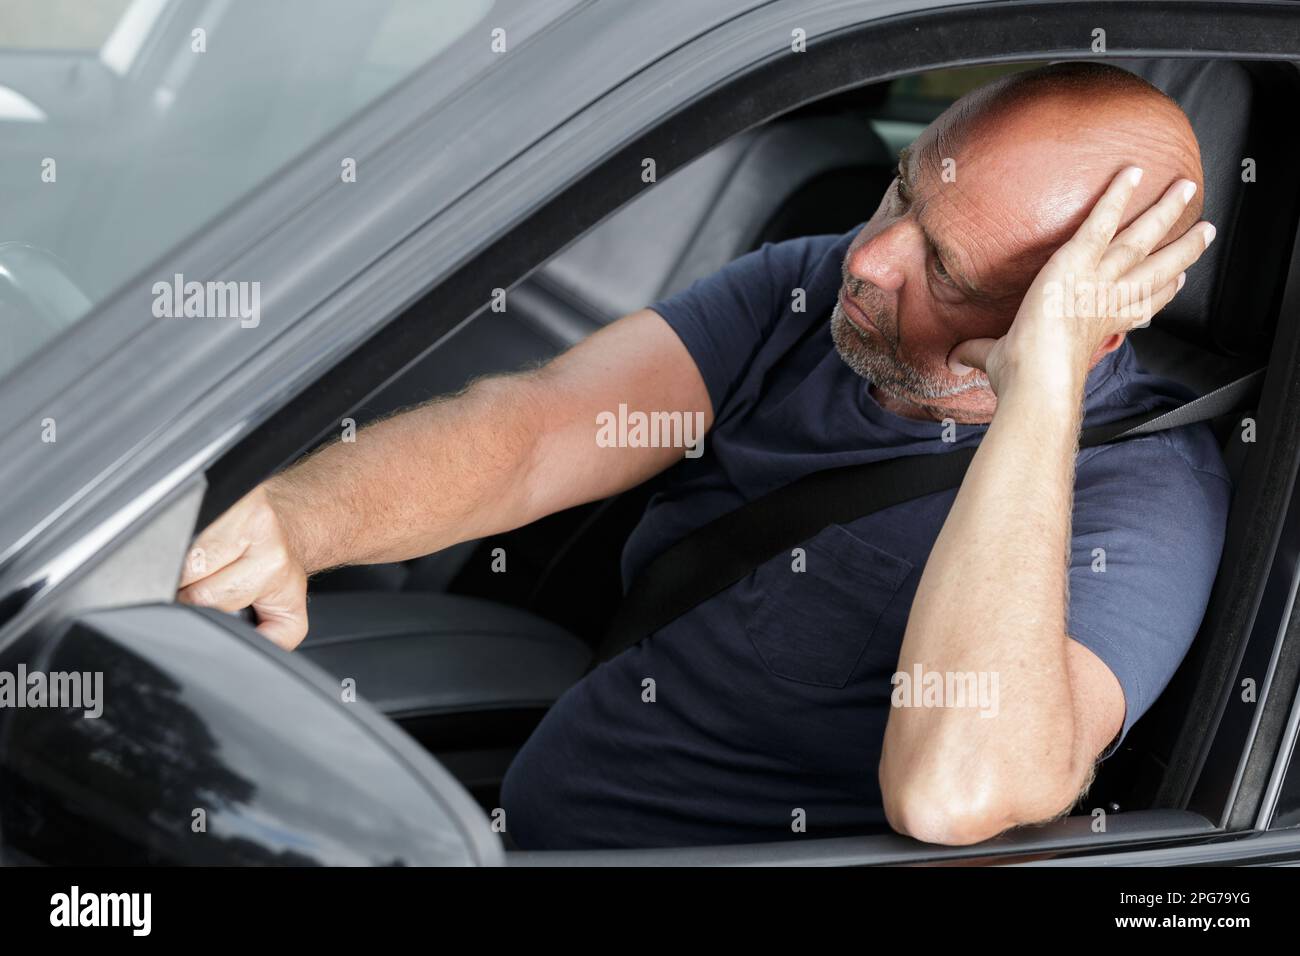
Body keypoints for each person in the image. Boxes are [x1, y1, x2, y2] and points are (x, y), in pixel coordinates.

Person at [180, 62, 1223, 849]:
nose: (868, 255)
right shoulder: (814, 288)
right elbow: (542, 428)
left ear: (1081, 313)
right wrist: (297, 519)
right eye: (903, 192)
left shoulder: (1144, 500)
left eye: (941, 267)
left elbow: (953, 789)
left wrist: (1039, 389)